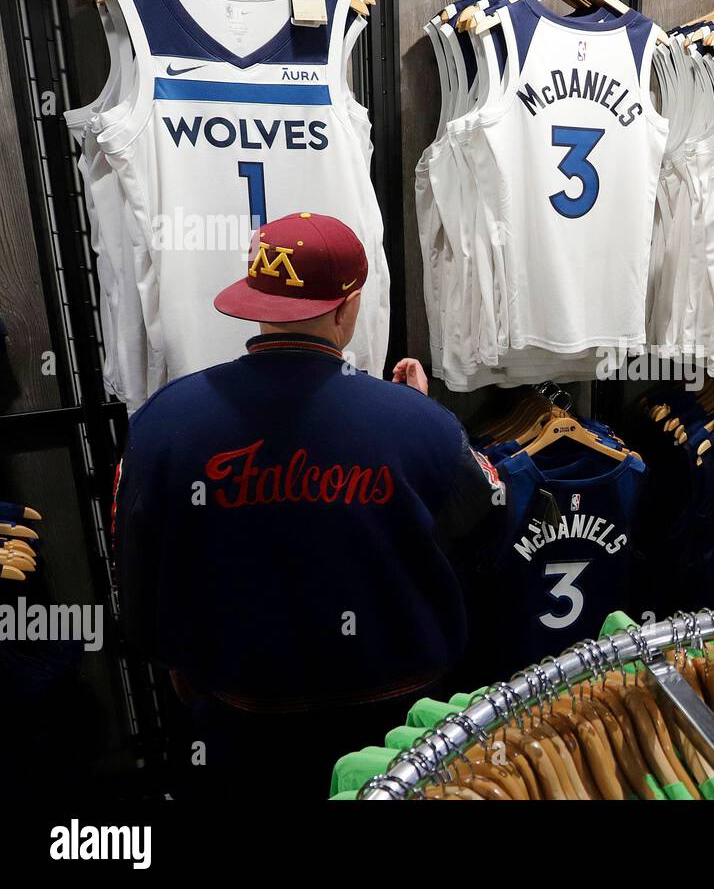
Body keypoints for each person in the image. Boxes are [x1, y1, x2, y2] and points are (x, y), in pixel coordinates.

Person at [113, 212, 500, 798]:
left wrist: (170, 655)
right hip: (399, 729)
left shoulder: (164, 420)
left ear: (254, 298)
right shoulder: (420, 425)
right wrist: (421, 424)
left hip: (239, 720)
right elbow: (486, 532)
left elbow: (139, 575)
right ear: (348, 308)